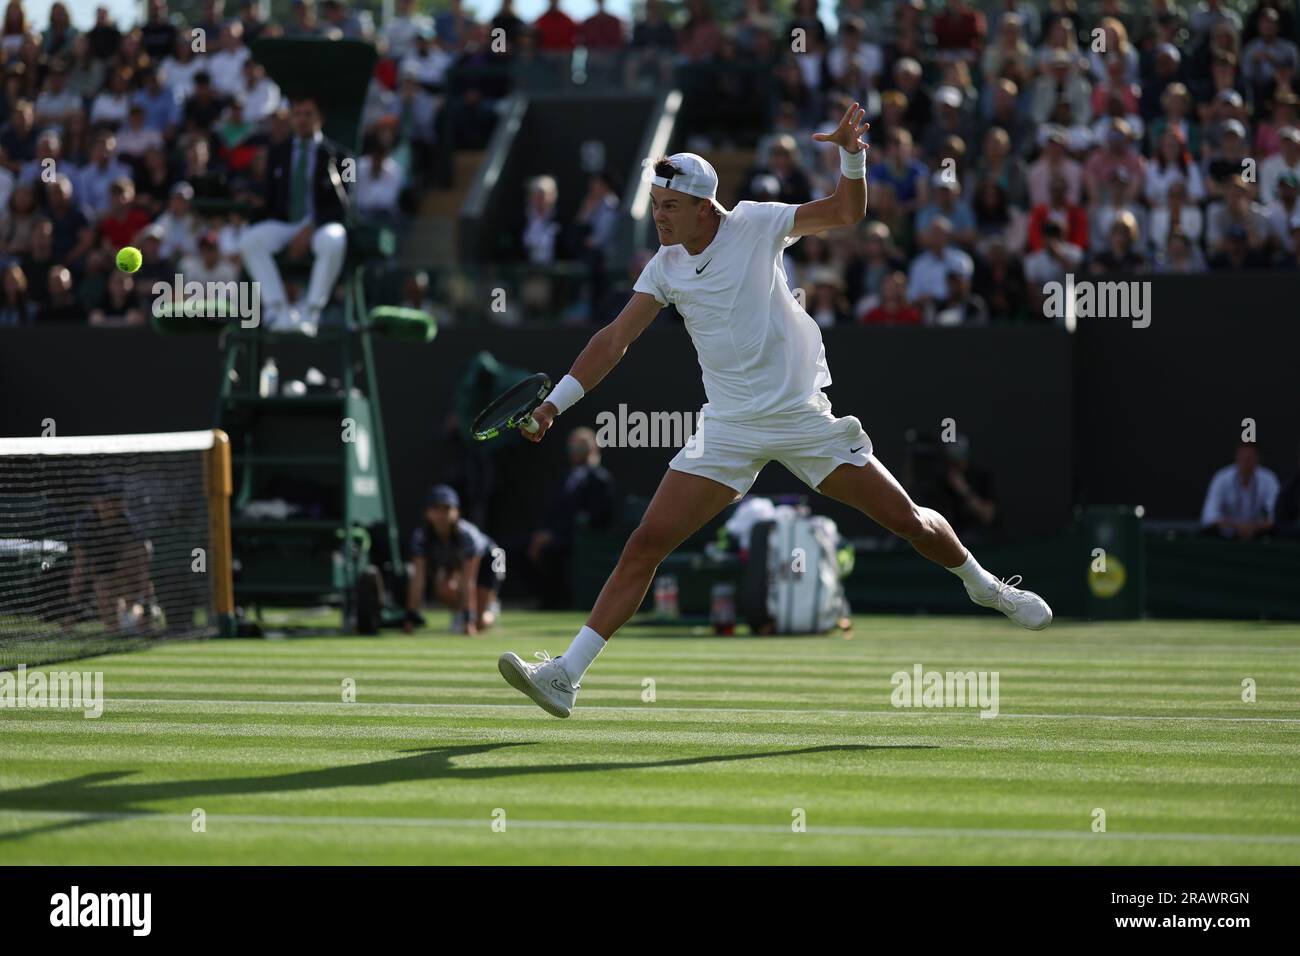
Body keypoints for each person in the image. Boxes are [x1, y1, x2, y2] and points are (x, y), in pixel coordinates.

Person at [498, 104, 1053, 719]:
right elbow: (614, 341)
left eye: (669, 205)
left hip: (800, 417)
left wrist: (851, 154)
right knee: (645, 543)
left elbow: (846, 211)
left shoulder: (759, 224)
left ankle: (984, 584)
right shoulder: (664, 266)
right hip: (729, 427)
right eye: (655, 203)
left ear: (705, 206)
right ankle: (565, 675)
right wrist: (554, 404)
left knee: (908, 522)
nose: (658, 214)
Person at [237, 94, 347, 335]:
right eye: (297, 114)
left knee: (334, 239)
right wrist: (254, 203)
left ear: (320, 118)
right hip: (286, 225)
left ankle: (311, 312)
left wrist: (311, 227)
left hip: (320, 225)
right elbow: (271, 200)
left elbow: (345, 205)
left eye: (308, 114)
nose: (302, 120)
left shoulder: (342, 156)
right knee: (250, 240)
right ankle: (277, 310)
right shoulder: (277, 153)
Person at [404, 484, 504, 635]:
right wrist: (410, 617)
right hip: (456, 563)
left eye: (446, 509)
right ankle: (464, 613)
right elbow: (417, 579)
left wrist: (469, 621)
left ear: (456, 511)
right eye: (436, 509)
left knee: (480, 623)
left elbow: (468, 582)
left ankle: (489, 611)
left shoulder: (467, 536)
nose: (441, 515)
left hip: (490, 560)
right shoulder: (422, 537)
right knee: (443, 588)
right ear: (428, 512)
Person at [67, 477, 158, 632]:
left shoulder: (131, 527)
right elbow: (80, 568)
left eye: (117, 500)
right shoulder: (85, 525)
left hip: (130, 572)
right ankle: (117, 626)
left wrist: (147, 606)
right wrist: (71, 610)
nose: (113, 505)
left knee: (133, 595)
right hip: (105, 569)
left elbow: (142, 571)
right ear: (96, 502)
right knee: (104, 590)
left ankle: (145, 613)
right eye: (107, 500)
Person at [1200, 442, 1280, 540]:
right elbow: (1209, 516)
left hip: (1258, 533)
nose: (1245, 462)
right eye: (1242, 458)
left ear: (1257, 459)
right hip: (1227, 534)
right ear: (1237, 457)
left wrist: (1253, 528)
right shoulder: (1222, 478)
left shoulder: (1268, 479)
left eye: (1249, 458)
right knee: (1208, 533)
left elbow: (1275, 516)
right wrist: (1237, 527)